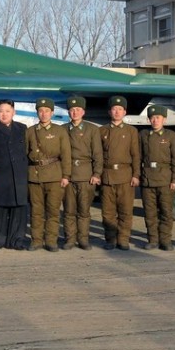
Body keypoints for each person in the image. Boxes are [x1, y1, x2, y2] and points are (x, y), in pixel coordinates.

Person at [0, 99, 30, 251]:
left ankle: (16, 240)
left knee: (18, 210)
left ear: (13, 112)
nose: (4, 114)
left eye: (7, 111)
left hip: (19, 176)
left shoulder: (22, 128)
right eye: (1, 111)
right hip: (0, 176)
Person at [26, 97, 71, 251]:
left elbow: (66, 155)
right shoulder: (30, 131)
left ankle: (51, 240)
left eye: (47, 111)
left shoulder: (59, 131)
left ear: (52, 113)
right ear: (37, 113)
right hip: (35, 175)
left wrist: (66, 176)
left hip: (54, 176)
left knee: (52, 210)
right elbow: (25, 154)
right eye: (41, 111)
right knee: (36, 210)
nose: (44, 114)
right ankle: (36, 240)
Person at [99, 95, 141, 250]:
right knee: (108, 212)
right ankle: (110, 239)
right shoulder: (102, 131)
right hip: (107, 175)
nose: (117, 112)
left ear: (125, 112)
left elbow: (136, 155)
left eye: (120, 109)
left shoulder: (131, 131)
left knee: (125, 210)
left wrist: (136, 175)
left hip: (125, 175)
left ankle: (123, 239)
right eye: (114, 109)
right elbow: (98, 155)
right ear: (110, 112)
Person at [62, 96, 103, 250]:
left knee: (84, 210)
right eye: (72, 110)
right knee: (69, 210)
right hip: (69, 175)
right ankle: (70, 239)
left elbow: (97, 153)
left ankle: (83, 239)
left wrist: (97, 173)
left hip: (86, 175)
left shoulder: (92, 129)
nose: (75, 112)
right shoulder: (63, 129)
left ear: (83, 112)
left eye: (78, 109)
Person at [139, 105, 175, 251]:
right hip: (148, 179)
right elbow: (138, 158)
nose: (155, 121)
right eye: (152, 118)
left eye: (158, 118)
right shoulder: (143, 135)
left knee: (166, 212)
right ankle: (152, 239)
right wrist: (139, 177)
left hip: (165, 179)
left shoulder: (171, 136)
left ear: (164, 120)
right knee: (149, 213)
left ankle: (166, 240)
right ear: (149, 119)